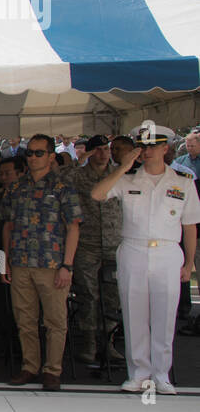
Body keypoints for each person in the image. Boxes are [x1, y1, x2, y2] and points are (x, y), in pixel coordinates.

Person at [92, 124, 199, 394]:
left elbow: (189, 226)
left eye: (153, 146)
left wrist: (189, 263)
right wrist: (122, 167)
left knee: (164, 316)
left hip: (167, 251)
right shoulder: (127, 180)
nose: (147, 151)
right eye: (143, 146)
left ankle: (161, 374)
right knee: (134, 313)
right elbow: (97, 194)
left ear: (165, 148)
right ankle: (138, 373)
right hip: (134, 249)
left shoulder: (183, 182)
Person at [0, 133, 82, 390]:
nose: (33, 157)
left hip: (52, 265)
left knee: (55, 321)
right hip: (21, 262)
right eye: (30, 153)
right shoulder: (15, 187)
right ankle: (29, 366)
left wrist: (67, 265)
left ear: (50, 156)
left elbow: (73, 227)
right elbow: (8, 226)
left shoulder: (63, 188)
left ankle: (52, 370)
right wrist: (6, 261)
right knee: (25, 319)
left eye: (39, 152)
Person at [66, 136, 124, 365]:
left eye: (105, 149)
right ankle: (88, 343)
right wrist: (79, 161)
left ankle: (107, 342)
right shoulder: (78, 175)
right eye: (97, 150)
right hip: (86, 244)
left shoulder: (118, 174)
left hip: (113, 244)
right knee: (88, 295)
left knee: (112, 297)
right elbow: (58, 179)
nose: (103, 153)